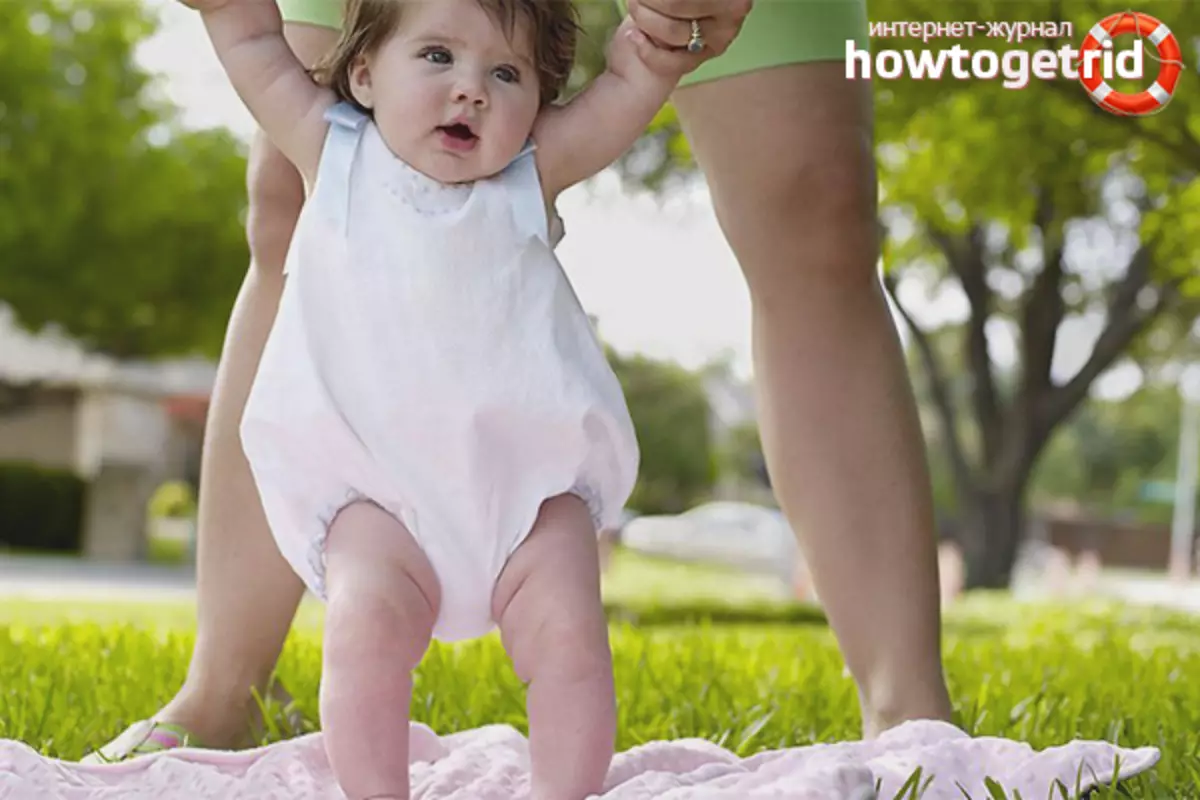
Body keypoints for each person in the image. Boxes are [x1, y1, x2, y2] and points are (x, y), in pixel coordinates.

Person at [87, 0, 954, 766]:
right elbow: (248, 36)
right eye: (437, 61)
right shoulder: (334, 150)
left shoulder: (525, 171)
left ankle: (903, 716)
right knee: (283, 202)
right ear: (362, 72)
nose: (469, 89)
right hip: (371, 504)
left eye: (503, 75)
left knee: (816, 198)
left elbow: (626, 83)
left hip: (531, 498)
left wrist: (662, 42)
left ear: (536, 101)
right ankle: (226, 692)